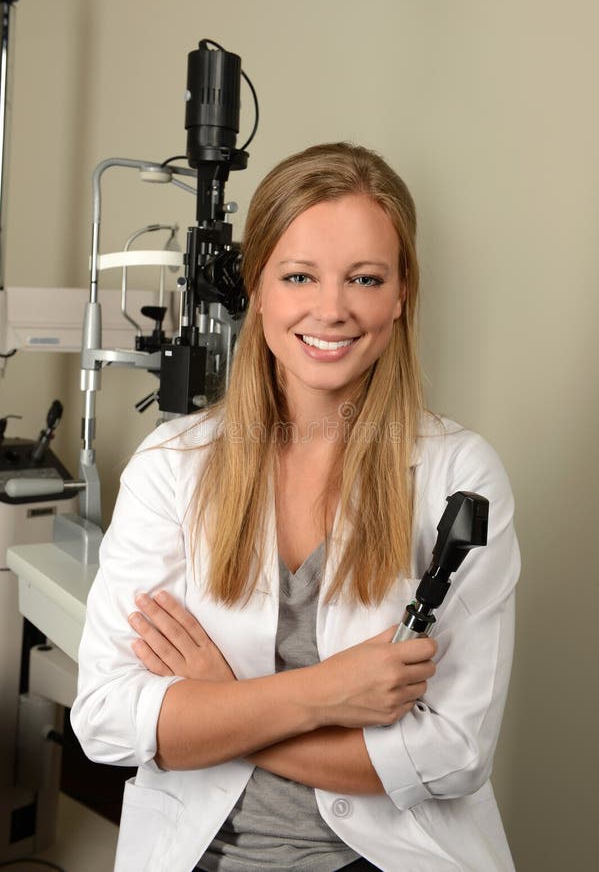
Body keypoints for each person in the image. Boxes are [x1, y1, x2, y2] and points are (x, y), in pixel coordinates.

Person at [71, 142, 519, 872]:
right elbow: (108, 721)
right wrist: (324, 693)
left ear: (401, 292)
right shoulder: (171, 467)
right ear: (257, 287)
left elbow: (453, 754)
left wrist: (224, 703)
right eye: (299, 275)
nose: (331, 309)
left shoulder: (457, 475)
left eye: (365, 278)